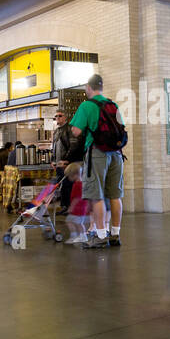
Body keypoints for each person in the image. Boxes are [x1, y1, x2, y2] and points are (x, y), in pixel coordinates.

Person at [68, 73, 126, 249]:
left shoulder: (86, 105)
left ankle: (100, 235)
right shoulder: (113, 104)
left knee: (97, 195)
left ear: (88, 88)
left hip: (97, 153)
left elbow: (76, 131)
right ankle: (115, 234)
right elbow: (121, 127)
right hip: (116, 153)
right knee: (115, 195)